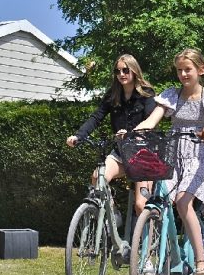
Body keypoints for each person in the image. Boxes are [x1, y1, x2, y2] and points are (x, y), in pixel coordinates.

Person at [134, 48, 204, 275]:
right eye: (179, 70)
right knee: (158, 201)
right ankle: (156, 259)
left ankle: (201, 261)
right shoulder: (172, 95)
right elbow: (152, 120)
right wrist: (134, 132)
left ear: (201, 69)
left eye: (188, 69)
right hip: (174, 154)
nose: (183, 74)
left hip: (199, 155)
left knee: (183, 202)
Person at [67, 54, 157, 215]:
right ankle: (114, 213)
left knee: (140, 205)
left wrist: (131, 133)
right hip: (121, 151)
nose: (121, 74)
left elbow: (151, 120)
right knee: (97, 177)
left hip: (143, 153)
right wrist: (78, 136)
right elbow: (96, 117)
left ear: (134, 71)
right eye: (117, 71)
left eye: (125, 70)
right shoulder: (112, 95)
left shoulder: (146, 94)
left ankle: (147, 239)